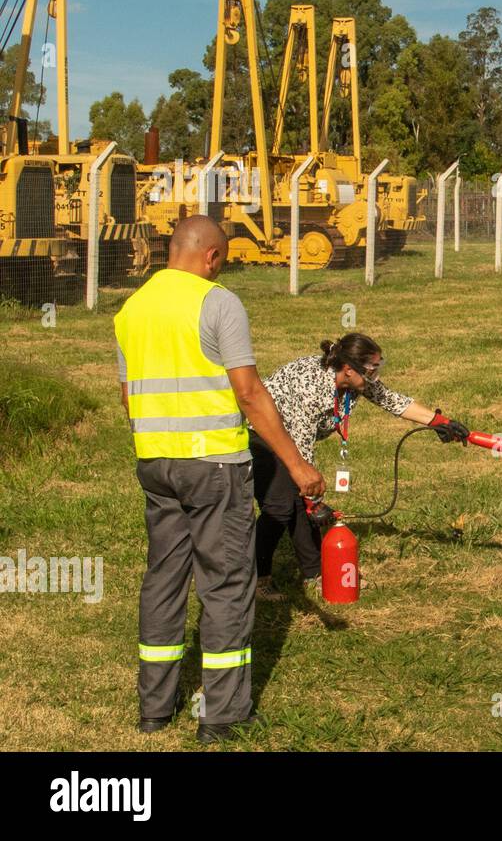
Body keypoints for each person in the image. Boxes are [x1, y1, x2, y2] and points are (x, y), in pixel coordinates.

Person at [114, 215, 325, 744]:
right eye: (222, 262)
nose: (220, 270)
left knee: (164, 579)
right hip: (215, 467)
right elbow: (250, 392)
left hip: (155, 464)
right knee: (226, 585)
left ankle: (154, 710)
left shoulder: (130, 309)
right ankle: (223, 714)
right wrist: (297, 464)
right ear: (211, 256)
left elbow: (128, 397)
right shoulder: (218, 302)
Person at [253, 333, 469, 600]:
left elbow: (392, 400)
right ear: (348, 368)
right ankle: (256, 579)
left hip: (290, 439)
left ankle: (316, 574)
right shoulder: (310, 387)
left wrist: (438, 421)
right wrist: (313, 499)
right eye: (371, 370)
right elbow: (300, 447)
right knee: (281, 506)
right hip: (261, 436)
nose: (374, 376)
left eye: (378, 368)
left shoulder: (354, 381)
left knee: (299, 504)